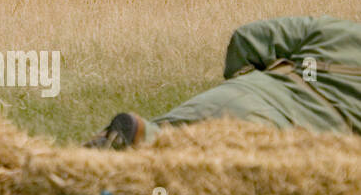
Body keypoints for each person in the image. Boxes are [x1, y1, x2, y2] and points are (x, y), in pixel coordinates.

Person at [86, 15, 361, 149]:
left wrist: (247, 84)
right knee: (191, 166)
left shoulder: (337, 29)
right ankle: (145, 139)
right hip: (277, 130)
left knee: (152, 135)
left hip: (238, 94)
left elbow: (247, 37)